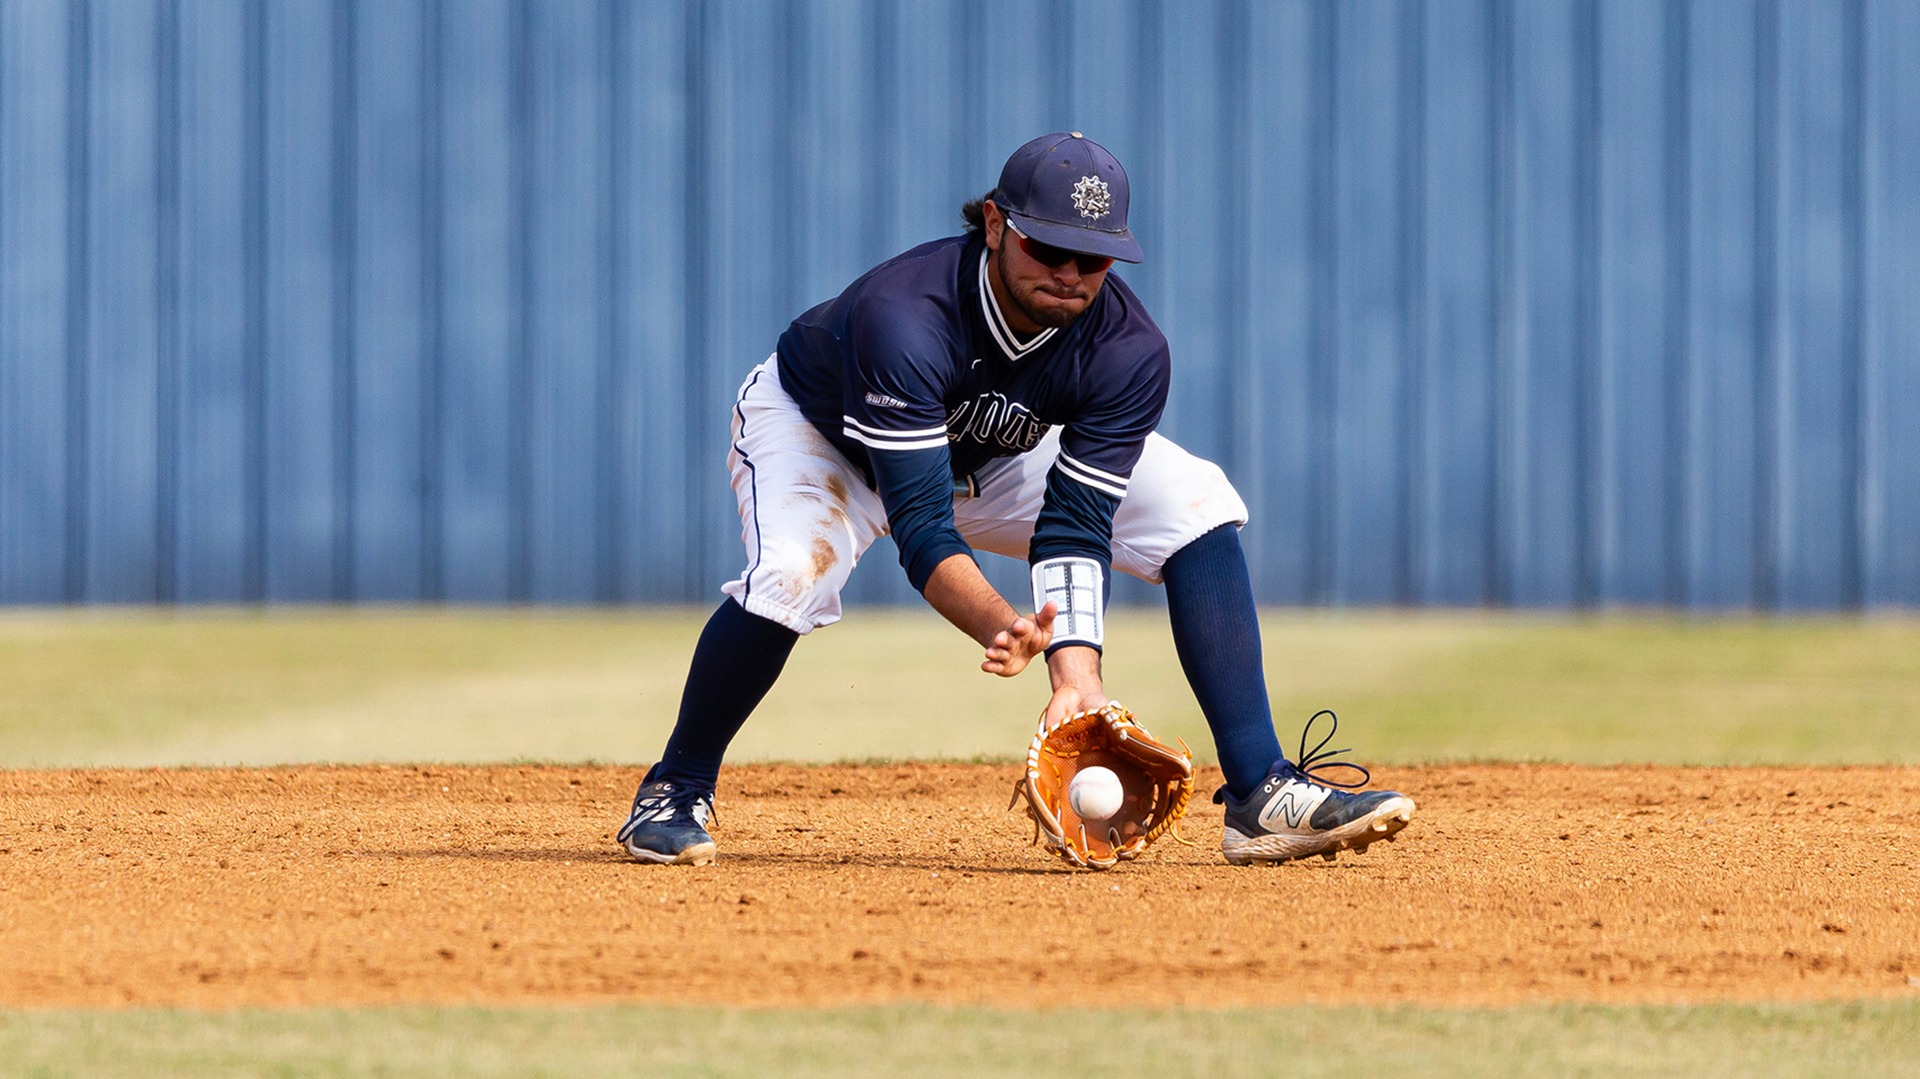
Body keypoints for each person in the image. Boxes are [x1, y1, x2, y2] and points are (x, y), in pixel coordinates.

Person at [619, 132, 1415, 867]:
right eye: (1049, 245)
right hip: (824, 437)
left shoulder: (1129, 351)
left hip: (989, 456)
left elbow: (1075, 522)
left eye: (1094, 259)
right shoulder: (906, 316)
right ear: (995, 223)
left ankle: (1260, 792)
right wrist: (1004, 622)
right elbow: (921, 527)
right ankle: (675, 785)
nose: (1069, 273)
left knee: (1198, 505)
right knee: (796, 571)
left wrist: (1077, 681)